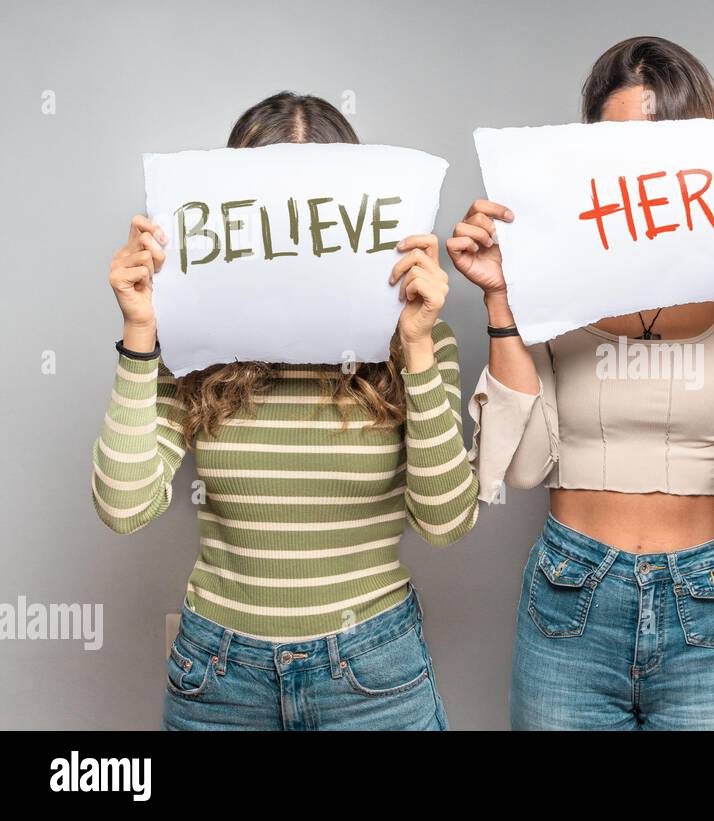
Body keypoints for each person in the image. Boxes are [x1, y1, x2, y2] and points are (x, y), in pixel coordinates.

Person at [452, 36, 714, 729]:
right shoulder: (548, 277)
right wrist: (503, 299)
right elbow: (524, 466)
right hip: (570, 596)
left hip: (708, 603)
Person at [92, 92, 478, 730]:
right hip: (219, 677)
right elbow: (123, 507)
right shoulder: (193, 342)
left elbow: (446, 521)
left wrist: (413, 348)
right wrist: (141, 336)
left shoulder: (419, 338)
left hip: (372, 673)